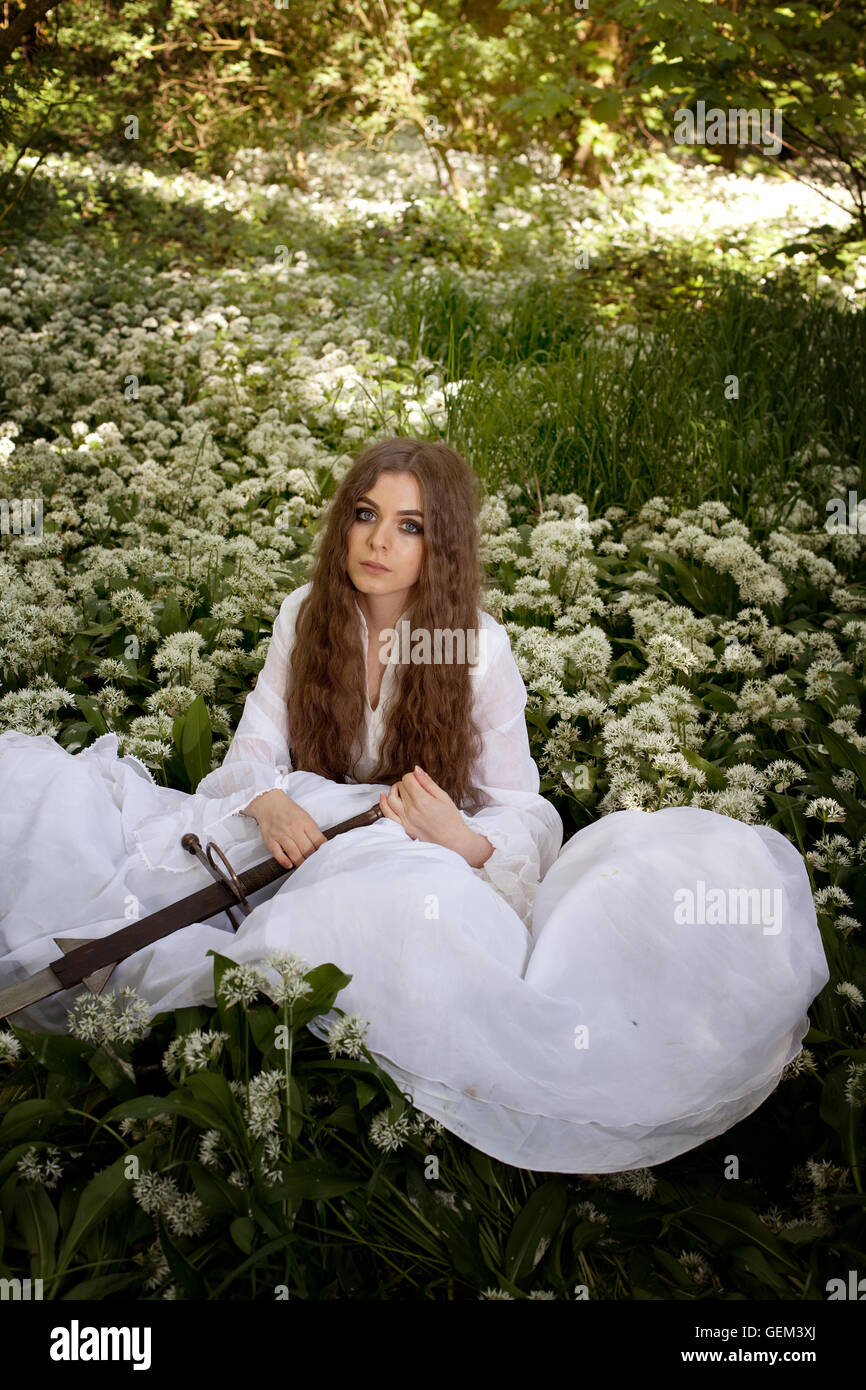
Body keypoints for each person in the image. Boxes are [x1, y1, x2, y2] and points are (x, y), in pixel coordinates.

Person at [0, 438, 829, 1174]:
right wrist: (267, 800)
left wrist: (460, 841)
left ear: (445, 546)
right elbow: (254, 749)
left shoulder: (476, 647)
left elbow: (522, 809)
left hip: (403, 854)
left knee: (388, 907)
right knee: (41, 794)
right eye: (365, 514)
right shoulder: (307, 614)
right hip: (294, 835)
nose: (377, 541)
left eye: (409, 525)